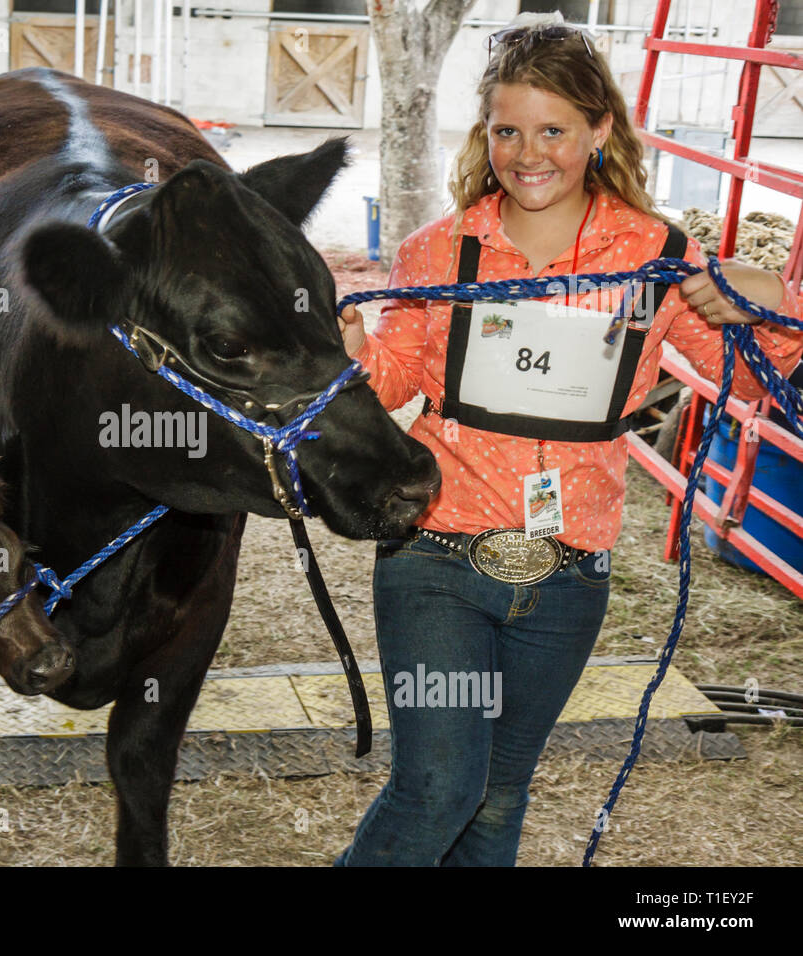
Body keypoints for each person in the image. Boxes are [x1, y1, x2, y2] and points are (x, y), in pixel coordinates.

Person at [335, 18, 803, 866]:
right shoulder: (440, 251)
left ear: (599, 131)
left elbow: (742, 374)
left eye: (553, 129)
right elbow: (392, 379)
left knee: (500, 795)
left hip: (568, 574)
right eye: (507, 129)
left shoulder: (654, 254)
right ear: (486, 134)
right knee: (439, 787)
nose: (527, 152)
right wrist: (347, 357)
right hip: (437, 560)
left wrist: (771, 301)